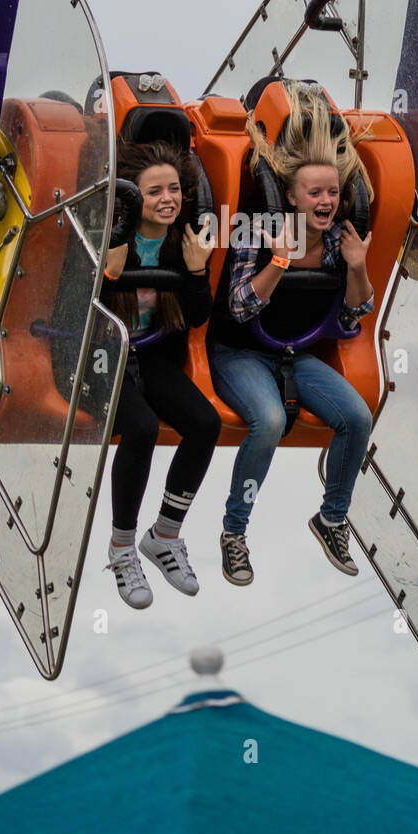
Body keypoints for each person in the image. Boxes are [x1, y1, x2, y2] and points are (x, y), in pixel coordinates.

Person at [207, 82, 375, 585]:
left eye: (331, 192)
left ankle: (331, 519)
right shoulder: (256, 231)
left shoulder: (336, 245)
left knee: (357, 417)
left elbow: (349, 322)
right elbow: (239, 307)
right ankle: (234, 533)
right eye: (313, 192)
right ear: (292, 195)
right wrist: (278, 260)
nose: (325, 200)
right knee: (270, 420)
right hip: (238, 352)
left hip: (292, 353)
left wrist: (357, 268)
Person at [99, 138, 220, 609]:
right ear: (132, 198)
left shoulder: (181, 240)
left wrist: (195, 272)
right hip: (101, 355)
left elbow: (195, 317)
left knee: (205, 424)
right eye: (154, 192)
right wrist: (108, 277)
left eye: (173, 189)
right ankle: (122, 545)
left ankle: (165, 534)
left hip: (150, 354)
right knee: (143, 428)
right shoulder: (110, 237)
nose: (167, 199)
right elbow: (77, 312)